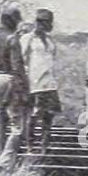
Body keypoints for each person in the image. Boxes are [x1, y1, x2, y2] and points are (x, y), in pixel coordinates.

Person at [0, 7, 29, 164]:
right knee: (17, 126)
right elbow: (17, 66)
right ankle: (4, 162)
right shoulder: (12, 39)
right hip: (10, 79)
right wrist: (24, 87)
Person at [20, 9, 61, 154]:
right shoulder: (27, 39)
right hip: (34, 83)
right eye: (46, 22)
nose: (49, 25)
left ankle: (44, 146)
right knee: (34, 114)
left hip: (49, 83)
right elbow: (22, 61)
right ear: (39, 22)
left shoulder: (49, 41)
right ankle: (30, 146)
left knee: (48, 116)